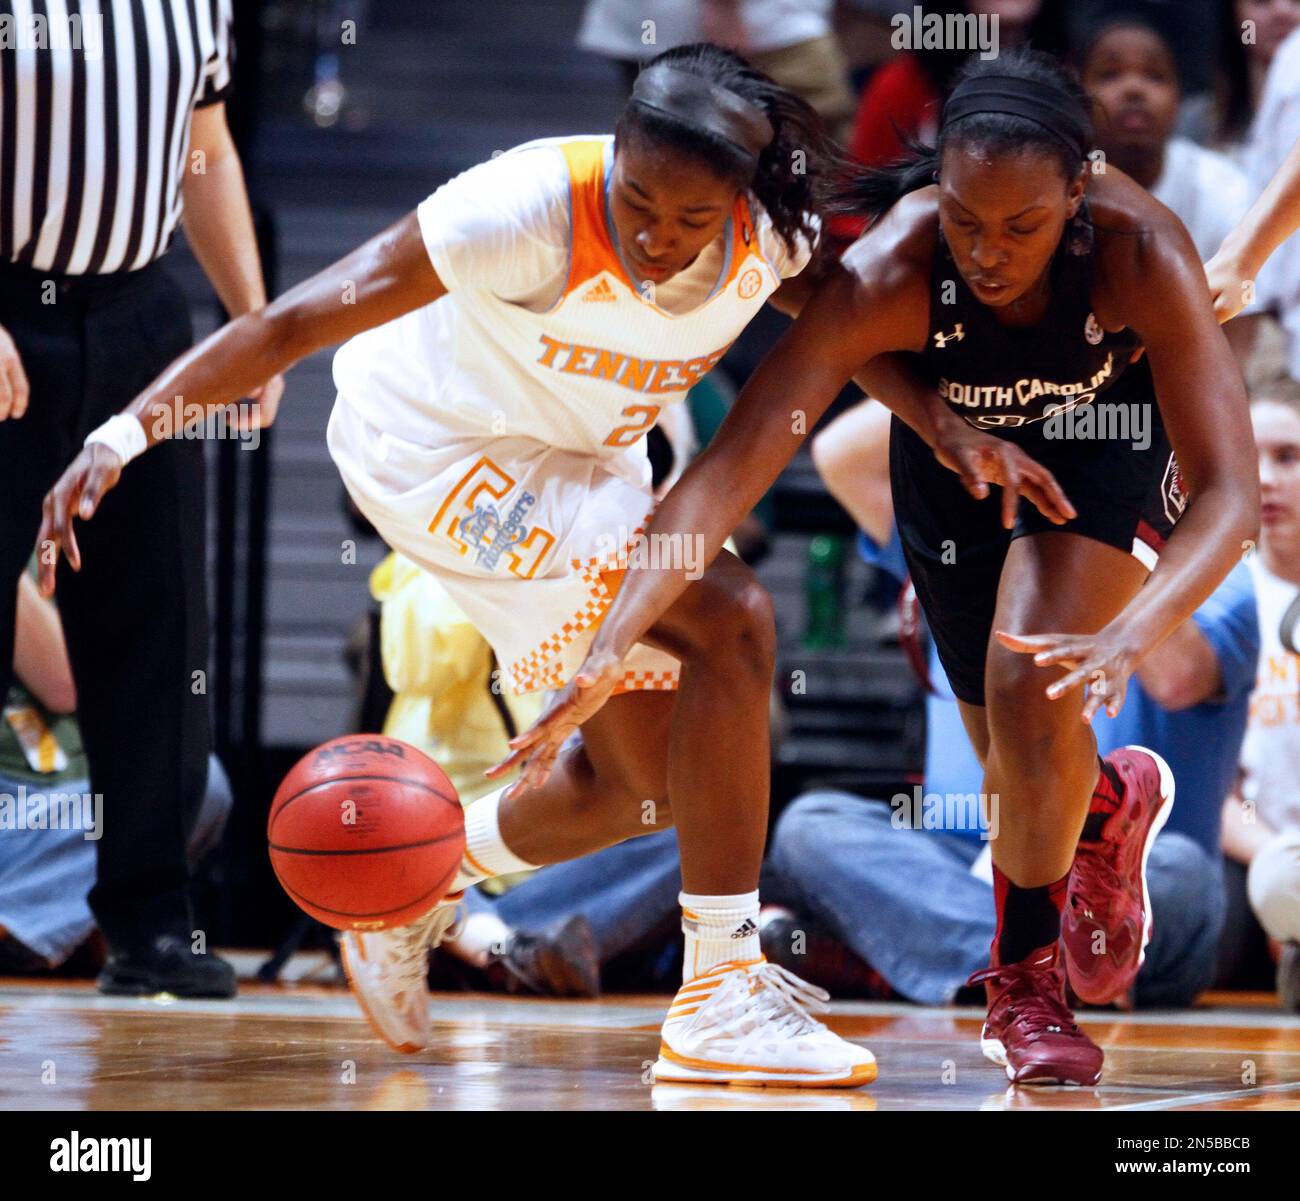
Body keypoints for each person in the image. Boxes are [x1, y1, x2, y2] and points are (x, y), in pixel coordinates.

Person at [37, 44, 875, 1089]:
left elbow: (864, 326)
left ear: (740, 205)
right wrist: (122, 436)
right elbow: (295, 320)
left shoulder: (774, 240)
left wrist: (950, 414)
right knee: (735, 615)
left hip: (578, 458)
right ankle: (718, 993)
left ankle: (417, 886)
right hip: (434, 452)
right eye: (637, 203)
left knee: (646, 790)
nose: (655, 239)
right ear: (609, 157)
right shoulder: (519, 206)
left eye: (688, 221)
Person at [512, 48, 1259, 1086]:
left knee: (1025, 674)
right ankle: (1101, 807)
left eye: (1021, 228)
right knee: (1013, 772)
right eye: (964, 218)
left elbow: (1228, 491)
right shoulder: (894, 274)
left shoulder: (1140, 250)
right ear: (936, 189)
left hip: (1102, 437)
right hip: (949, 465)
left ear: (1077, 193)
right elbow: (733, 466)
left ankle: (1023, 990)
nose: (988, 254)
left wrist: (1130, 632)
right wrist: (610, 635)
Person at [0, 0, 274, 998]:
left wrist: (255, 323)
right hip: (6, 303)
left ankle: (152, 926)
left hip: (140, 314)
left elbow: (205, 149)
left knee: (156, 627)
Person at [1078, 16, 1258, 363]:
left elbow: (1238, 346)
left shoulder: (1225, 187)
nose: (1133, 89)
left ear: (1180, 97)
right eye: (1109, 75)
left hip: (1200, 373)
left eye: (1155, 76)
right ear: (1080, 94)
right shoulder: (1053, 187)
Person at [1221, 384, 1300, 1011]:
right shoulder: (1217, 598)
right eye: (1249, 457)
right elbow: (1212, 792)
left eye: (1289, 457)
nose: (1266, 481)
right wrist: (1276, 859)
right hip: (1251, 859)